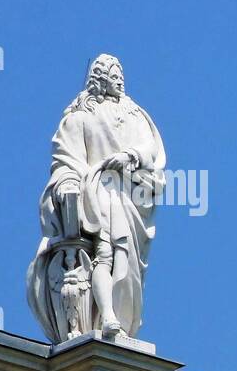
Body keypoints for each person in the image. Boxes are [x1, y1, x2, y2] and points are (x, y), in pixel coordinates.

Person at [27, 54, 166, 342]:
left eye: (120, 73)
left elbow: (150, 147)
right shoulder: (81, 116)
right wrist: (68, 184)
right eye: (112, 73)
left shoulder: (135, 114)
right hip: (99, 193)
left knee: (125, 260)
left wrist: (131, 155)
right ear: (99, 77)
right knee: (104, 255)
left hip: (129, 197)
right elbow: (67, 161)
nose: (118, 78)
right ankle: (107, 317)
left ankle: (118, 317)